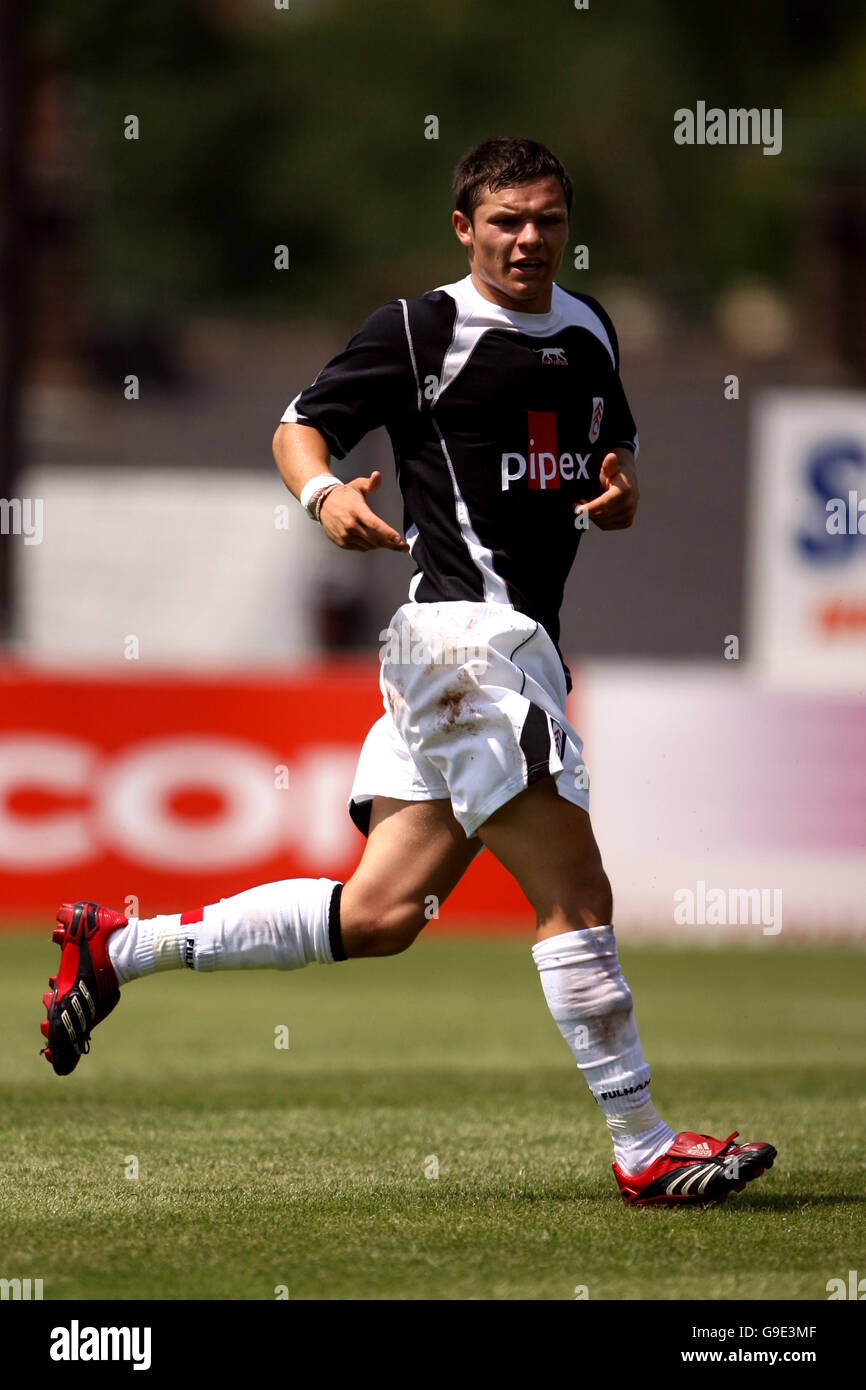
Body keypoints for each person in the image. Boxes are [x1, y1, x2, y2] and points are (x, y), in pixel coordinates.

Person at [39, 137, 775, 1207]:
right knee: (574, 891)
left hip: (499, 645)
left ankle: (121, 944)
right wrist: (323, 495)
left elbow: (608, 469)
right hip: (465, 644)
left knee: (381, 915)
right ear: (462, 228)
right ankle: (643, 1144)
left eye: (547, 220)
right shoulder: (420, 326)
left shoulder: (589, 326)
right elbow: (300, 427)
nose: (528, 239)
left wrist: (618, 499)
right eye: (505, 222)